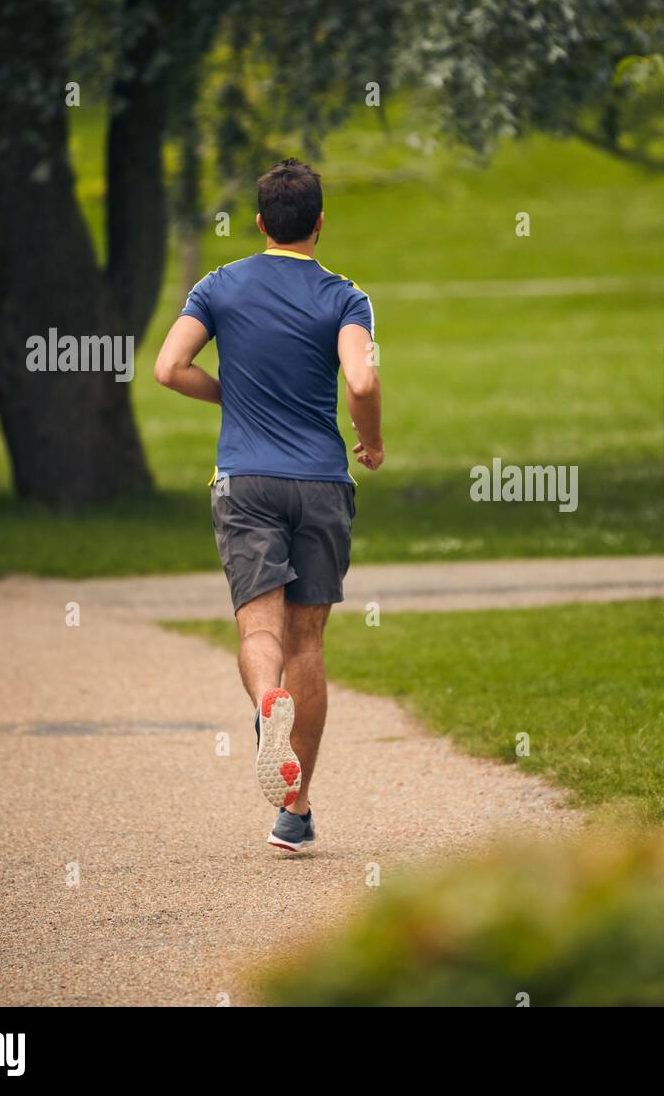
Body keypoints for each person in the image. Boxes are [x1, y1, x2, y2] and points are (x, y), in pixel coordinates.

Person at [153, 158, 383, 852]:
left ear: (259, 223)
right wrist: (368, 441)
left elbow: (168, 368)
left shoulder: (219, 285)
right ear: (319, 222)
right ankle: (295, 808)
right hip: (320, 481)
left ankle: (265, 705)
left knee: (260, 629)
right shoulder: (345, 296)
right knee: (307, 642)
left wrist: (232, 394)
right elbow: (362, 378)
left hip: (245, 480)